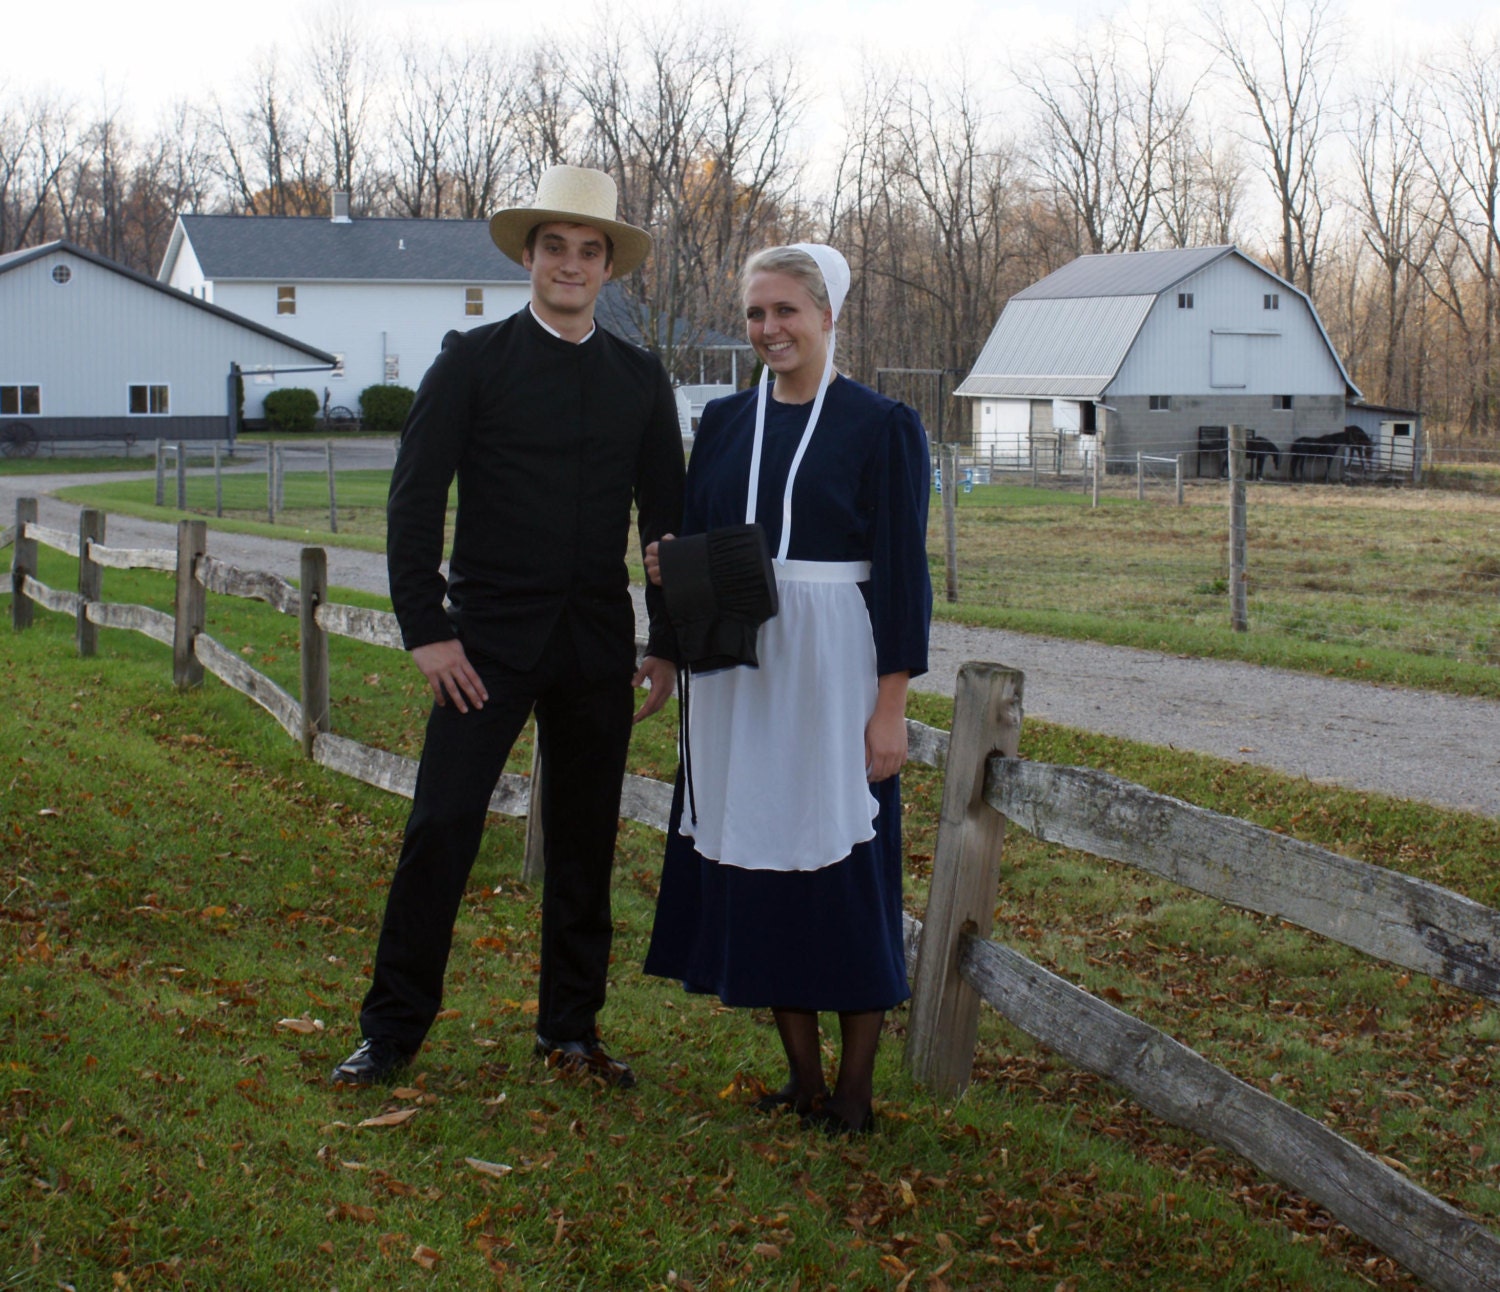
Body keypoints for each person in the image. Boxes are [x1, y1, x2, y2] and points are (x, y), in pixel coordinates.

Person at [331, 165, 685, 1090]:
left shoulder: (640, 380)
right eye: (555, 247)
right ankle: (392, 1032)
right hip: (480, 646)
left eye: (590, 250)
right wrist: (426, 628)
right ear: (529, 257)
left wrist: (668, 641)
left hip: (595, 646)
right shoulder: (472, 362)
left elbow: (668, 522)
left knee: (584, 844)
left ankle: (570, 1031)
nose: (571, 264)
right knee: (441, 828)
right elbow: (413, 505)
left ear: (609, 268)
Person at [643, 244, 932, 1134]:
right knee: (761, 859)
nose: (770, 329)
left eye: (787, 312)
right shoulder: (725, 424)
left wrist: (892, 705)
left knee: (845, 870)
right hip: (739, 670)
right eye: (757, 313)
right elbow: (693, 542)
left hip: (832, 666)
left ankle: (854, 1094)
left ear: (827, 316)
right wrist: (669, 577)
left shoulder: (881, 425)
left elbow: (901, 576)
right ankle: (802, 1079)